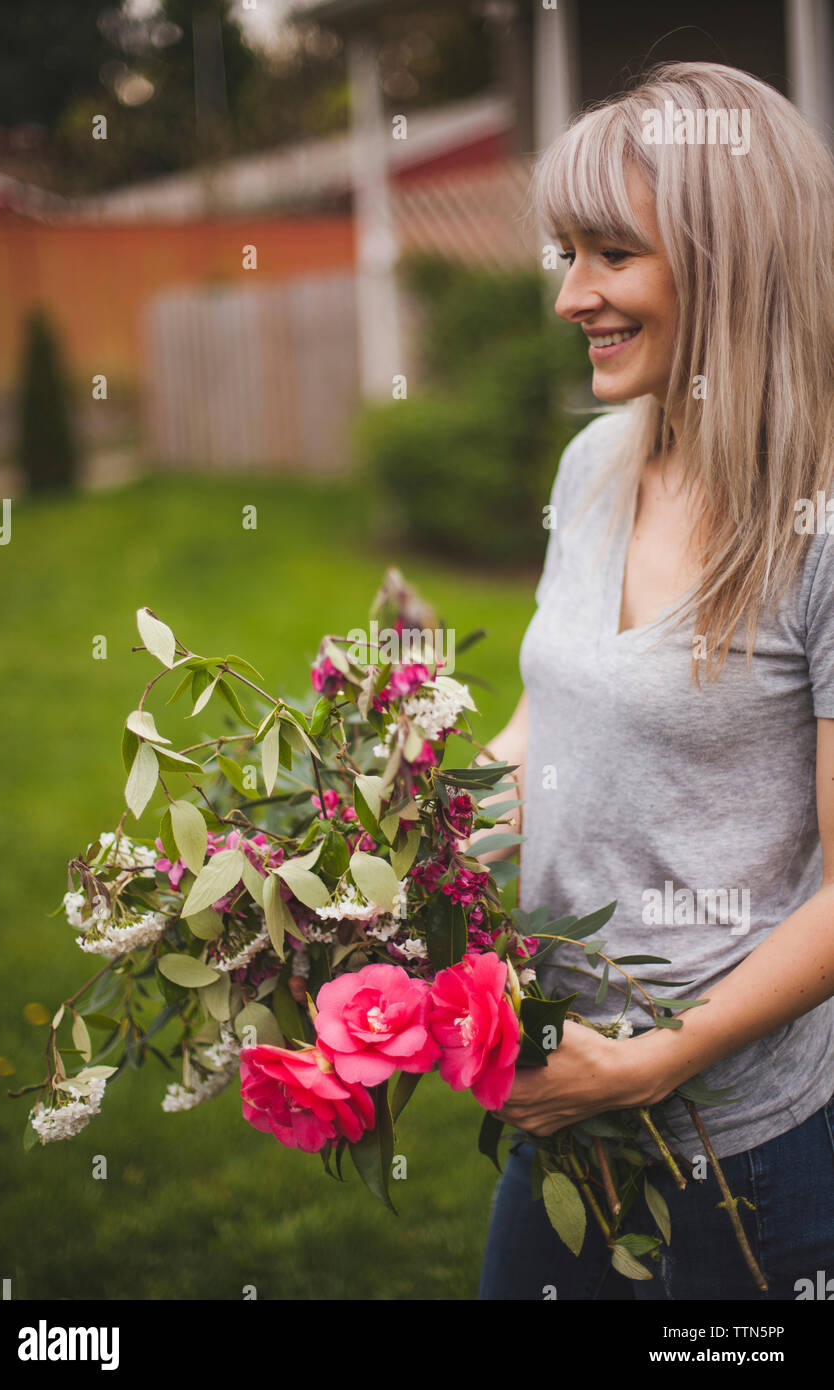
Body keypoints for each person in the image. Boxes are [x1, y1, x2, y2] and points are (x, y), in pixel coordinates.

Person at [472, 61, 834, 1301]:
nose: (571, 295)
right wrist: (379, 853)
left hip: (742, 1149)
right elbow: (547, 720)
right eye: (564, 253)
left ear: (727, 263)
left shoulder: (819, 526)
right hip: (565, 1099)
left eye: (608, 255)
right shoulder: (590, 463)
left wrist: (654, 1061)